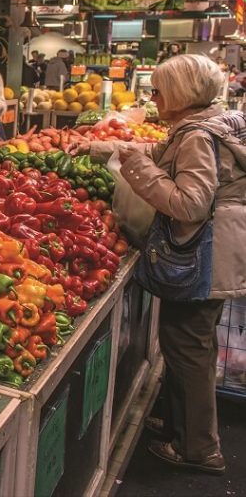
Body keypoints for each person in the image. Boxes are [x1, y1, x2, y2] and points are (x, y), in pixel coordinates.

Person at [85, 54, 246, 475]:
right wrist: (107, 148)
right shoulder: (210, 124)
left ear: (179, 94)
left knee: (188, 345)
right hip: (221, 255)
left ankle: (198, 448)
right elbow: (158, 150)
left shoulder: (195, 135)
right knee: (190, 343)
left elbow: (190, 204)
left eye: (157, 91)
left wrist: (137, 170)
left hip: (207, 258)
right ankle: (181, 425)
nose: (153, 98)